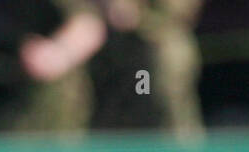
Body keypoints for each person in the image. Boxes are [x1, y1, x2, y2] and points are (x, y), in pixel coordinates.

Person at [13, 0, 205, 138]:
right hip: (76, 48)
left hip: (141, 53)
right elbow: (81, 22)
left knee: (158, 68)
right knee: (59, 83)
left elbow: (173, 13)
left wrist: (131, 13)